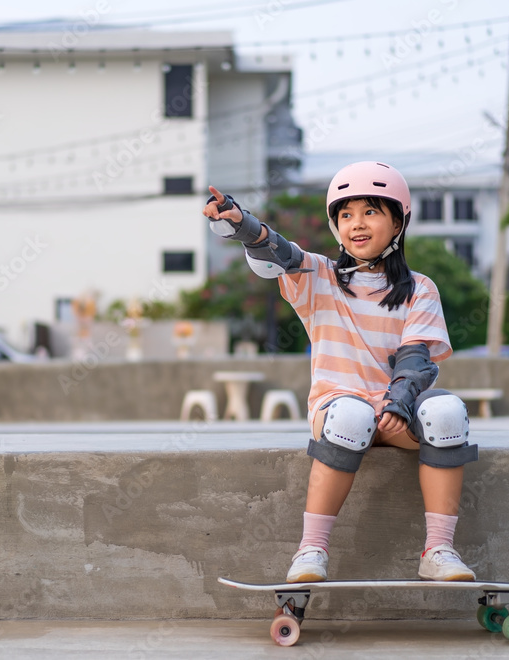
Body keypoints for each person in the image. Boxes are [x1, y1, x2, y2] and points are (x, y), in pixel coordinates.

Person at [202, 161, 479, 583]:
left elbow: (415, 359)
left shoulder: (420, 288)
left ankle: (438, 550)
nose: (357, 224)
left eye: (371, 212)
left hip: (395, 414)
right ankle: (311, 550)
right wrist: (240, 223)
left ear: (399, 221)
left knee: (447, 412)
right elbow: (275, 249)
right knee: (353, 415)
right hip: (338, 410)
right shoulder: (320, 276)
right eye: (346, 215)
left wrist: (400, 402)